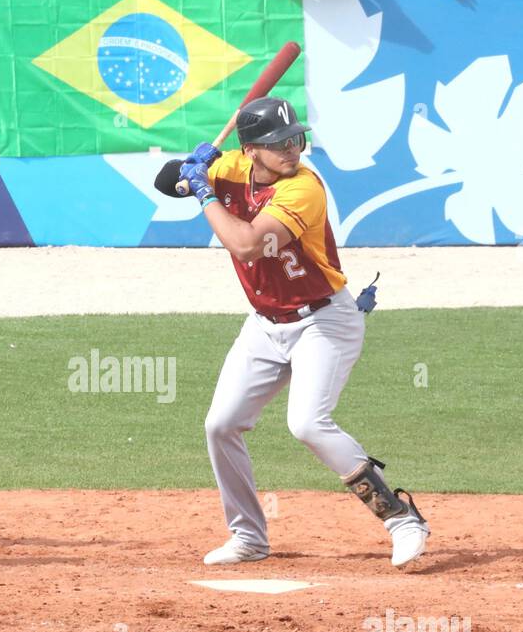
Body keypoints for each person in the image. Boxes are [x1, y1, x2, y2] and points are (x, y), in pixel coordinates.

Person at [154, 96, 430, 568]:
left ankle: (401, 518)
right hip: (265, 325)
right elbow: (166, 183)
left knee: (306, 423)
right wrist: (189, 165)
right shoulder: (231, 168)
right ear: (251, 150)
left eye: (295, 139)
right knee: (220, 425)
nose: (291, 150)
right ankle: (249, 538)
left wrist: (202, 192)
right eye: (278, 143)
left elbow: (246, 247)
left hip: (325, 321)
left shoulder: (303, 188)